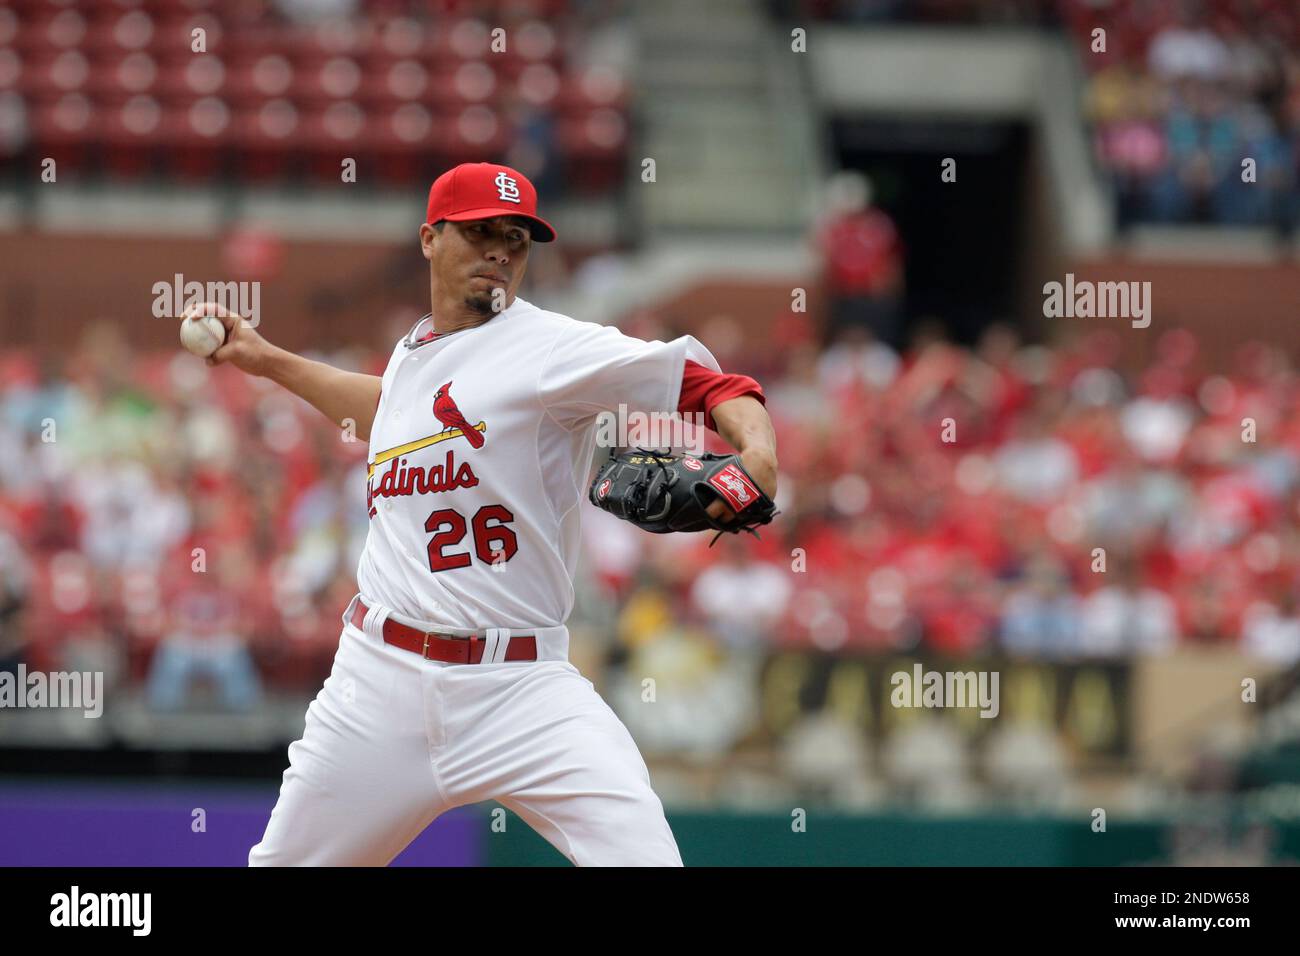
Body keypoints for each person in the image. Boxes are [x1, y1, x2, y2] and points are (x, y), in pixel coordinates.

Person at [189, 162, 778, 866]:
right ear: (430, 239)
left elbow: (717, 385)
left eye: (515, 239)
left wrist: (758, 456)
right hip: (380, 682)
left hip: (522, 687)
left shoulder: (553, 348)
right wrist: (266, 360)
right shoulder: (416, 354)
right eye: (480, 233)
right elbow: (390, 415)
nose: (500, 251)